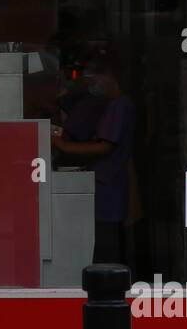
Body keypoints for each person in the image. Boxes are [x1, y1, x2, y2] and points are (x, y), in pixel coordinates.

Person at [51, 55, 137, 266]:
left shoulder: (120, 106)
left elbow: (106, 145)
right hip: (105, 186)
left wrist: (63, 146)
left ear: (112, 76)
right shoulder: (111, 105)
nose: (93, 81)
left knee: (106, 250)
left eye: (97, 76)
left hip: (109, 190)